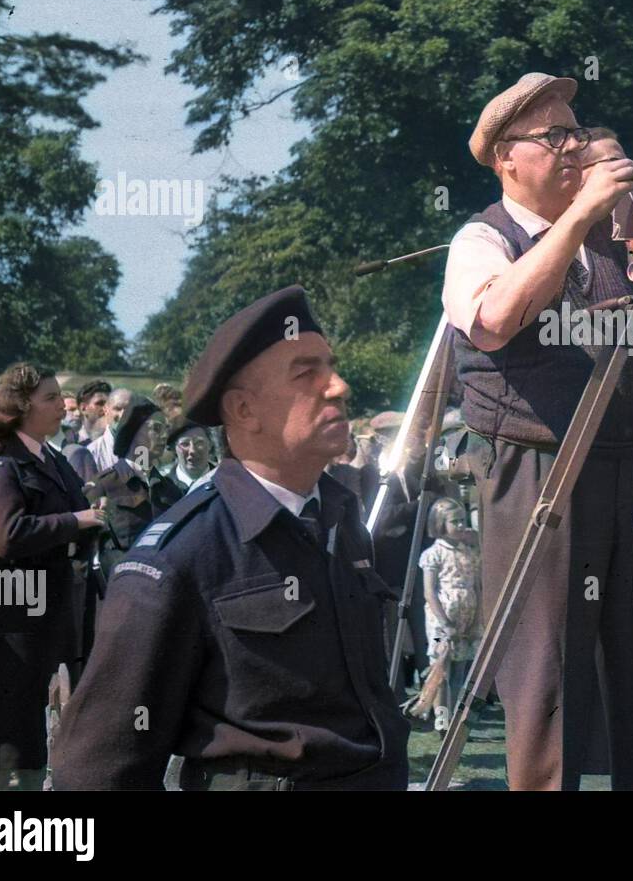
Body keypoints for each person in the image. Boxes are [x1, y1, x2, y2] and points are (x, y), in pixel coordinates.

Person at [439, 72, 633, 789]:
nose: (575, 148)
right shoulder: (482, 237)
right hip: (535, 469)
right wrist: (577, 222)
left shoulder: (619, 236)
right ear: (508, 157)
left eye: (577, 131)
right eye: (555, 136)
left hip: (627, 460)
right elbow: (496, 315)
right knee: (547, 669)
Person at [51, 286, 410, 790]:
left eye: (331, 366)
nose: (339, 386)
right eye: (307, 373)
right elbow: (97, 770)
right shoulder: (178, 558)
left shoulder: (340, 521)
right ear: (244, 410)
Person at [0, 363, 104, 789]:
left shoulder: (51, 459)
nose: (62, 407)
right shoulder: (3, 468)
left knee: (34, 733)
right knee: (4, 738)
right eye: (50, 399)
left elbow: (80, 512)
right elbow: (6, 536)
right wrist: (75, 521)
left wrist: (87, 520)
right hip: (11, 624)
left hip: (50, 614)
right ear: (23, 407)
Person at [82, 398, 183, 582]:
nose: (163, 436)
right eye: (156, 428)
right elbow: (86, 552)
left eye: (165, 429)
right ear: (134, 432)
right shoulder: (103, 485)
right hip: (118, 591)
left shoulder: (171, 491)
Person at [419, 497, 483, 731]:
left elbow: (476, 586)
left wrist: (477, 620)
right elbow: (429, 592)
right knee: (441, 670)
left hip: (466, 620)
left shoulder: (470, 552)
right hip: (440, 624)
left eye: (462, 521)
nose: (460, 526)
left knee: (460, 671)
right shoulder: (433, 554)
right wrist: (445, 623)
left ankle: (456, 720)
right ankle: (442, 720)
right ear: (439, 523)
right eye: (454, 522)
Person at [86, 387, 133, 475]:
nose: (123, 414)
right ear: (106, 410)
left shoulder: (144, 450)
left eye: (128, 409)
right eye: (117, 408)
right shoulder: (92, 453)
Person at [163, 416, 214, 492]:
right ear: (174, 449)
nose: (192, 451)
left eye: (199, 442)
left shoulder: (226, 481)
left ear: (210, 444)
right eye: (185, 444)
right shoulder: (162, 491)